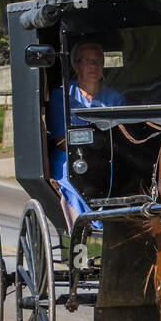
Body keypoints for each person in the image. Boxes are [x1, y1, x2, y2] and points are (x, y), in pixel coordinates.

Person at [45, 41, 125, 229]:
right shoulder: (62, 95)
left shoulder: (115, 98)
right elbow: (60, 139)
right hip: (70, 155)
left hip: (108, 155)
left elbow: (122, 134)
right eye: (88, 61)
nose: (93, 66)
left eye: (98, 61)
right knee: (74, 174)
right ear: (76, 66)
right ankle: (90, 225)